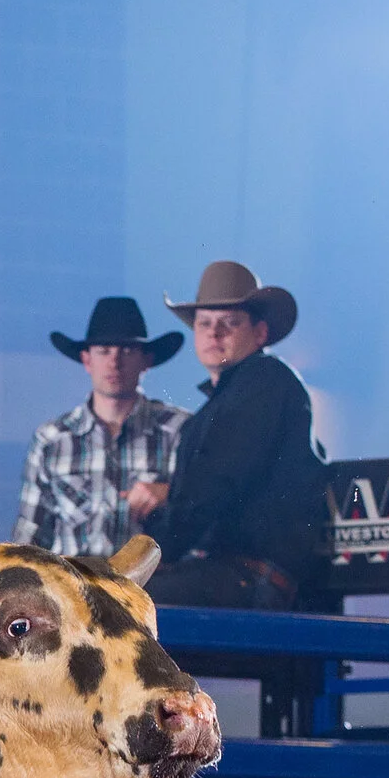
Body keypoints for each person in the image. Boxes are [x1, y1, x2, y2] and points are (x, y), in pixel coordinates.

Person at [142, 261, 328, 609]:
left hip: (251, 580)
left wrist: (156, 550)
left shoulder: (264, 380)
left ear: (260, 333)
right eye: (205, 324)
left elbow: (215, 481)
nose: (214, 333)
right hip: (233, 576)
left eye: (230, 323)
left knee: (119, 605)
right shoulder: (221, 404)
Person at [12, 297, 189, 556]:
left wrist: (169, 495)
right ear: (87, 360)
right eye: (104, 351)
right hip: (71, 588)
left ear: (146, 360)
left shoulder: (179, 430)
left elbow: (202, 514)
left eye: (127, 351)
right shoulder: (52, 439)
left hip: (151, 588)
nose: (114, 362)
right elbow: (30, 536)